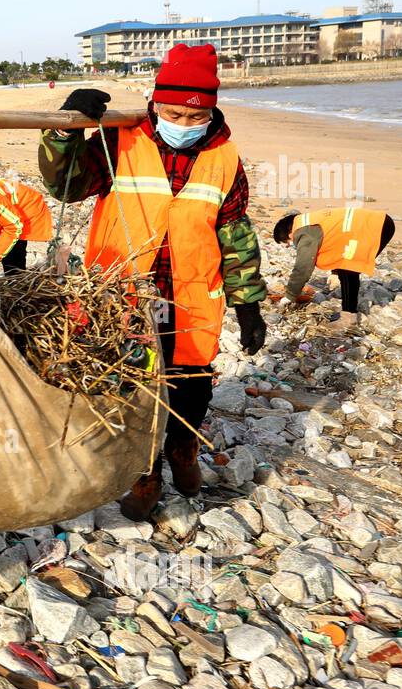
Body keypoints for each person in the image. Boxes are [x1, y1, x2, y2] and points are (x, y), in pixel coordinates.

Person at [38, 43, 268, 521]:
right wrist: (65, 129)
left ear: (210, 111)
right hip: (123, 292)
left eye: (192, 115)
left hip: (191, 297)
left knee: (191, 384)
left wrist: (249, 304)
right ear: (155, 104)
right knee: (131, 384)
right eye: (172, 112)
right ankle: (143, 474)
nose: (182, 123)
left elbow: (235, 233)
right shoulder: (121, 139)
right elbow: (65, 187)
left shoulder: (225, 156)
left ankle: (182, 449)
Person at [274, 208, 395, 333]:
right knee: (346, 267)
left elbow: (303, 267)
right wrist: (335, 272)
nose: (289, 245)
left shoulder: (304, 232)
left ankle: (348, 319)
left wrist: (290, 295)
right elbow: (336, 241)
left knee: (348, 269)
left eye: (286, 242)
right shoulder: (306, 222)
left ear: (289, 233)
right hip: (379, 222)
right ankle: (349, 314)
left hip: (377, 226)